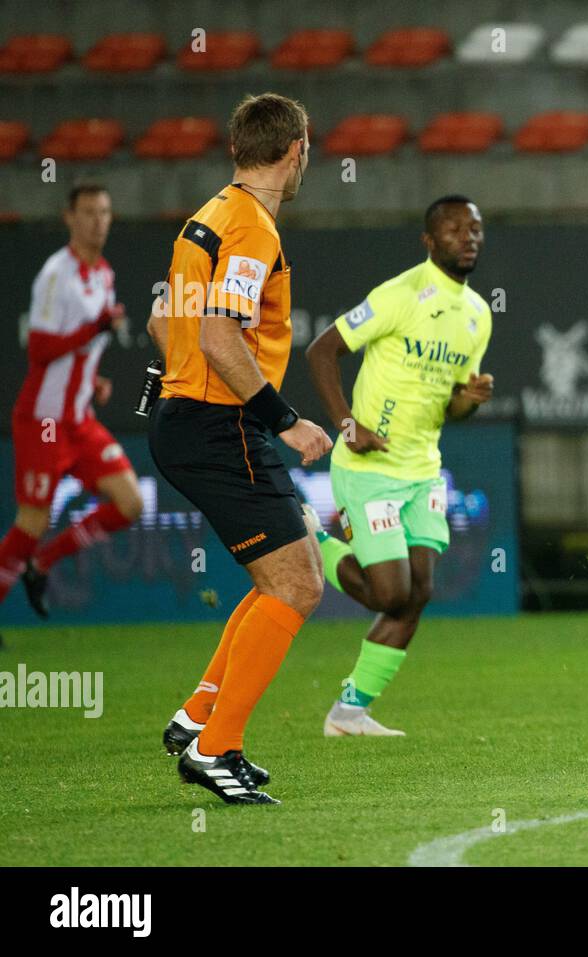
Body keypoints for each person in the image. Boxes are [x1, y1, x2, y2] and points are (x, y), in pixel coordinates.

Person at [148, 93, 333, 805]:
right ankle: (215, 746)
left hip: (190, 415)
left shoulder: (209, 215)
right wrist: (286, 420)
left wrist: (177, 378)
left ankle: (200, 715)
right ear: (297, 151)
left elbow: (164, 319)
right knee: (299, 584)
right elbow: (222, 337)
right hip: (222, 423)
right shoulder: (254, 229)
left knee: (283, 577)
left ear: (236, 150)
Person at [305, 196, 493, 736]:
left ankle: (349, 713)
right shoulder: (399, 294)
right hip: (368, 468)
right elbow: (321, 352)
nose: (469, 237)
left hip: (422, 472)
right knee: (390, 594)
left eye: (475, 229)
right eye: (456, 229)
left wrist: (469, 399)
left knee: (418, 596)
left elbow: (452, 408)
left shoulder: (478, 314)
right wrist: (346, 424)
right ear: (430, 242)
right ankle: (314, 541)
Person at [0, 183, 142, 620]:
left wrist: (92, 379)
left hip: (78, 417)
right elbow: (39, 349)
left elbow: (74, 352)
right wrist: (96, 328)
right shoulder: (55, 274)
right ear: (70, 218)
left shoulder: (104, 274)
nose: (98, 221)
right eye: (88, 212)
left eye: (104, 212)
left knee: (131, 503)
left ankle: (42, 563)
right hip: (43, 419)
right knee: (32, 521)